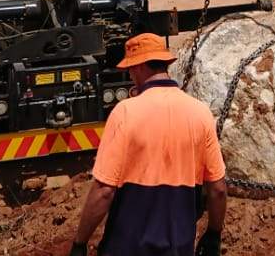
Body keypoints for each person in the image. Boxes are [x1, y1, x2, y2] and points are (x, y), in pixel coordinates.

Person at [69, 33, 227, 256]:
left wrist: (79, 243)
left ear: (141, 66)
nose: (131, 74)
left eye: (131, 68)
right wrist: (214, 232)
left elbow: (104, 191)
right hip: (179, 248)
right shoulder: (200, 113)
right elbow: (218, 189)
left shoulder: (125, 112)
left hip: (126, 247)